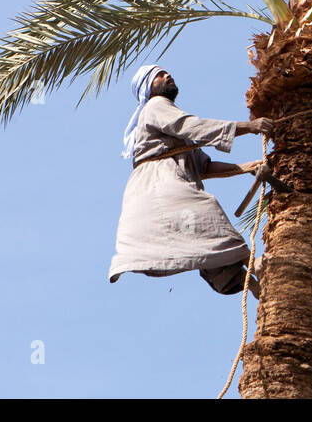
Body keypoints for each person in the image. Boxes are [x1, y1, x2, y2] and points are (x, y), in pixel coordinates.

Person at [108, 64, 287, 297]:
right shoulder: (155, 106)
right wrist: (249, 127)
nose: (167, 75)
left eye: (166, 72)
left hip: (157, 189)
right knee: (206, 213)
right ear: (148, 89)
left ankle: (254, 287)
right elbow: (191, 126)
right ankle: (255, 264)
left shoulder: (173, 140)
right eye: (159, 75)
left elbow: (204, 166)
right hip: (159, 186)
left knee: (203, 242)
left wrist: (246, 167)